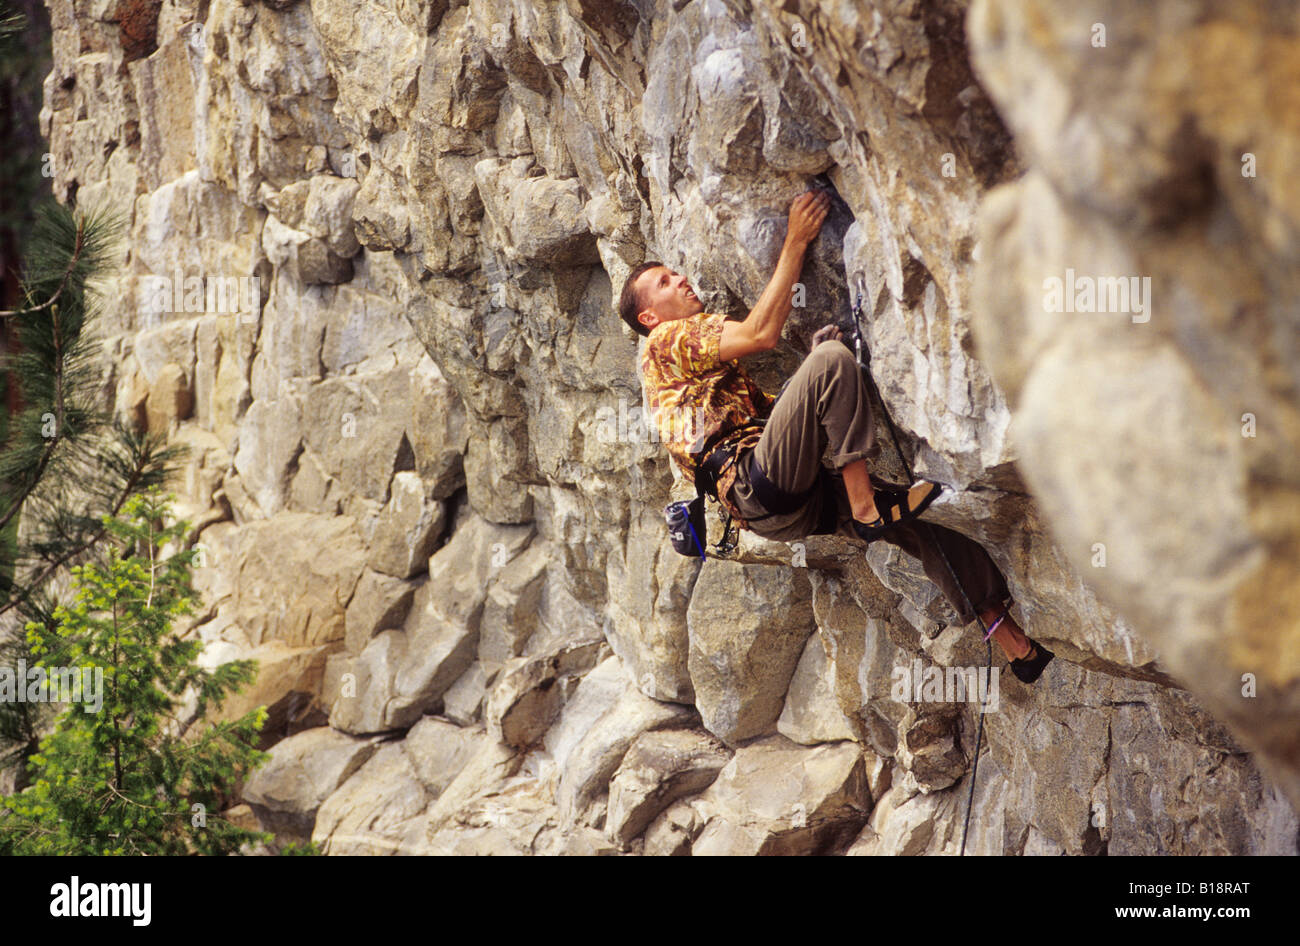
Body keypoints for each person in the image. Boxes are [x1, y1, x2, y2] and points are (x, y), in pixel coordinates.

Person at [618, 190, 1054, 683]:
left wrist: (810, 371)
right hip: (756, 485)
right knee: (832, 364)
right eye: (664, 281)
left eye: (674, 272)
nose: (680, 279)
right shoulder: (663, 340)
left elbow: (785, 421)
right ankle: (864, 506)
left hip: (778, 507)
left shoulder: (696, 379)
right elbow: (761, 333)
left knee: (925, 522)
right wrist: (796, 242)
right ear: (649, 316)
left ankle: (1019, 649)